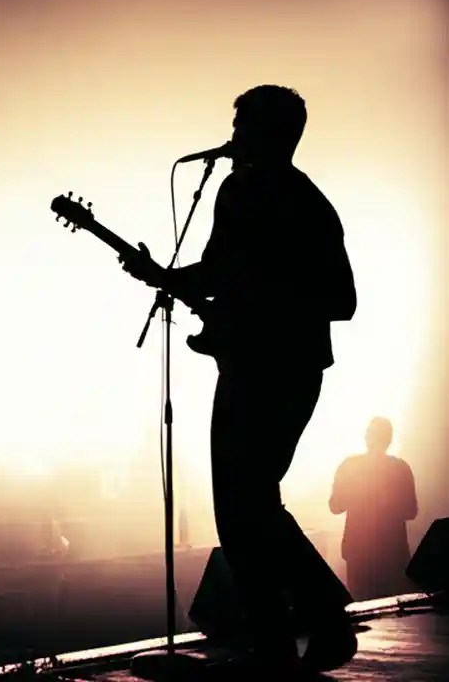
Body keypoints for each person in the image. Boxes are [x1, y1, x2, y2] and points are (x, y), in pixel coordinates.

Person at [124, 85, 359, 673]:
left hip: (268, 371)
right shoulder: (267, 194)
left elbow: (339, 298)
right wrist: (170, 276)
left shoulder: (277, 198)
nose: (231, 136)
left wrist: (251, 301)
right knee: (248, 506)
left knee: (243, 507)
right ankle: (290, 633)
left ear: (267, 133)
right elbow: (224, 274)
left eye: (241, 125)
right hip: (274, 369)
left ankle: (309, 620)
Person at [330, 416, 418, 600]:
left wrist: (357, 496)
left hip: (359, 554)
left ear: (368, 437)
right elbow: (411, 511)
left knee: (363, 608)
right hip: (392, 553)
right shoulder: (401, 468)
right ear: (389, 439)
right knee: (393, 609)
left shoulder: (350, 466)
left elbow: (335, 506)